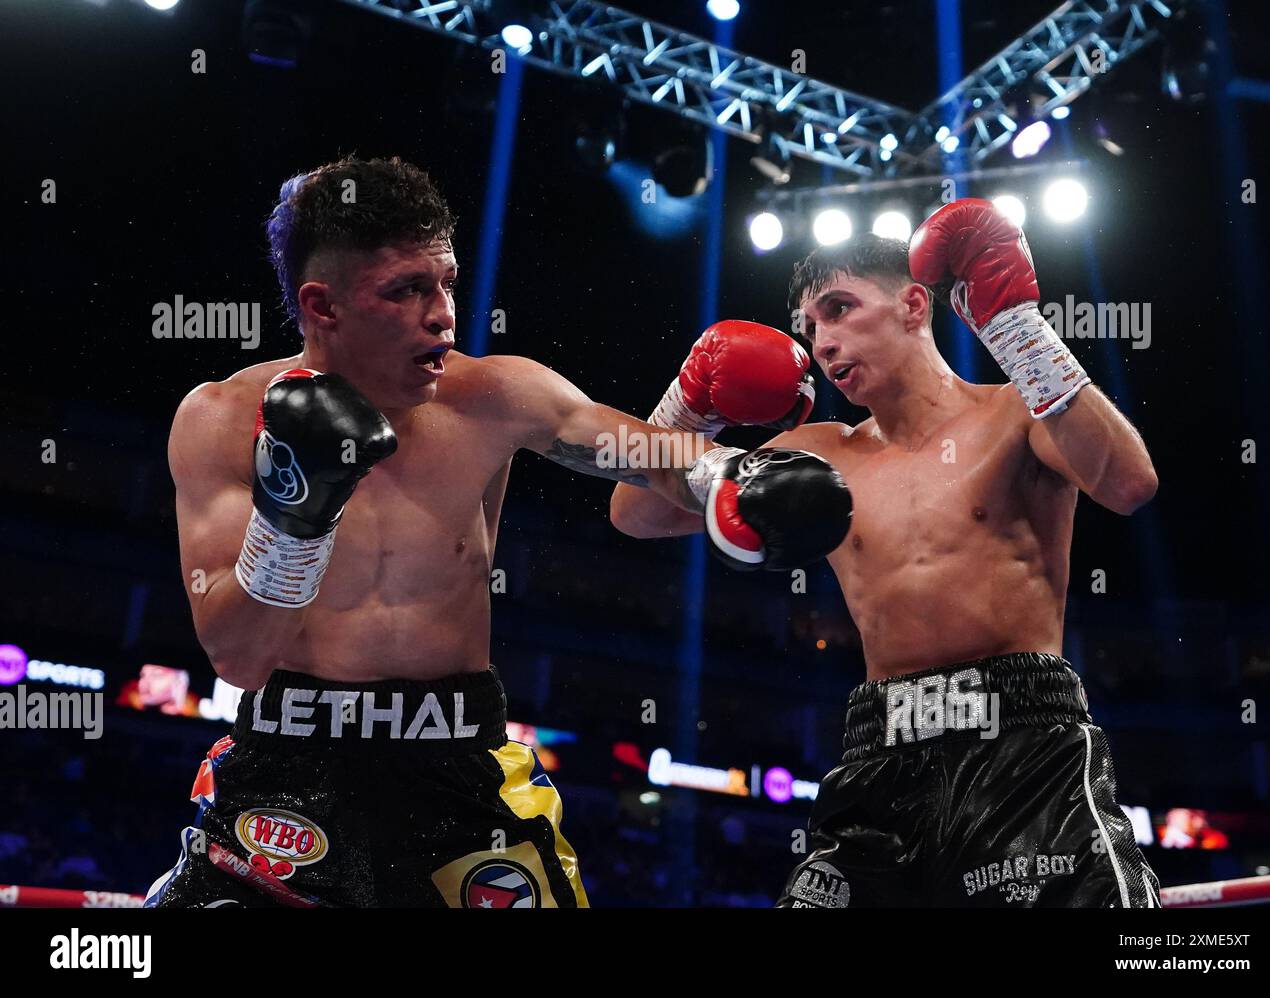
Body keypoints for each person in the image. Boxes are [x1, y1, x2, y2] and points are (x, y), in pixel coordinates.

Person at [146, 155, 847, 908]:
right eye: (407, 290)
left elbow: (640, 453)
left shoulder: (494, 395)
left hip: (459, 763)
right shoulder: (221, 419)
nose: (443, 313)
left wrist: (731, 475)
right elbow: (239, 656)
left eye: (445, 281)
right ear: (323, 306)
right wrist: (296, 518)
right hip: (285, 766)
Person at [610, 198, 1162, 907]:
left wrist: (1016, 327)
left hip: (1023, 749)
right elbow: (635, 511)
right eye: (809, 327)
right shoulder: (816, 458)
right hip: (880, 755)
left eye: (839, 308)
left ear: (911, 305)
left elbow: (1128, 482)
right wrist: (691, 402)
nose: (822, 341)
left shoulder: (1015, 414)